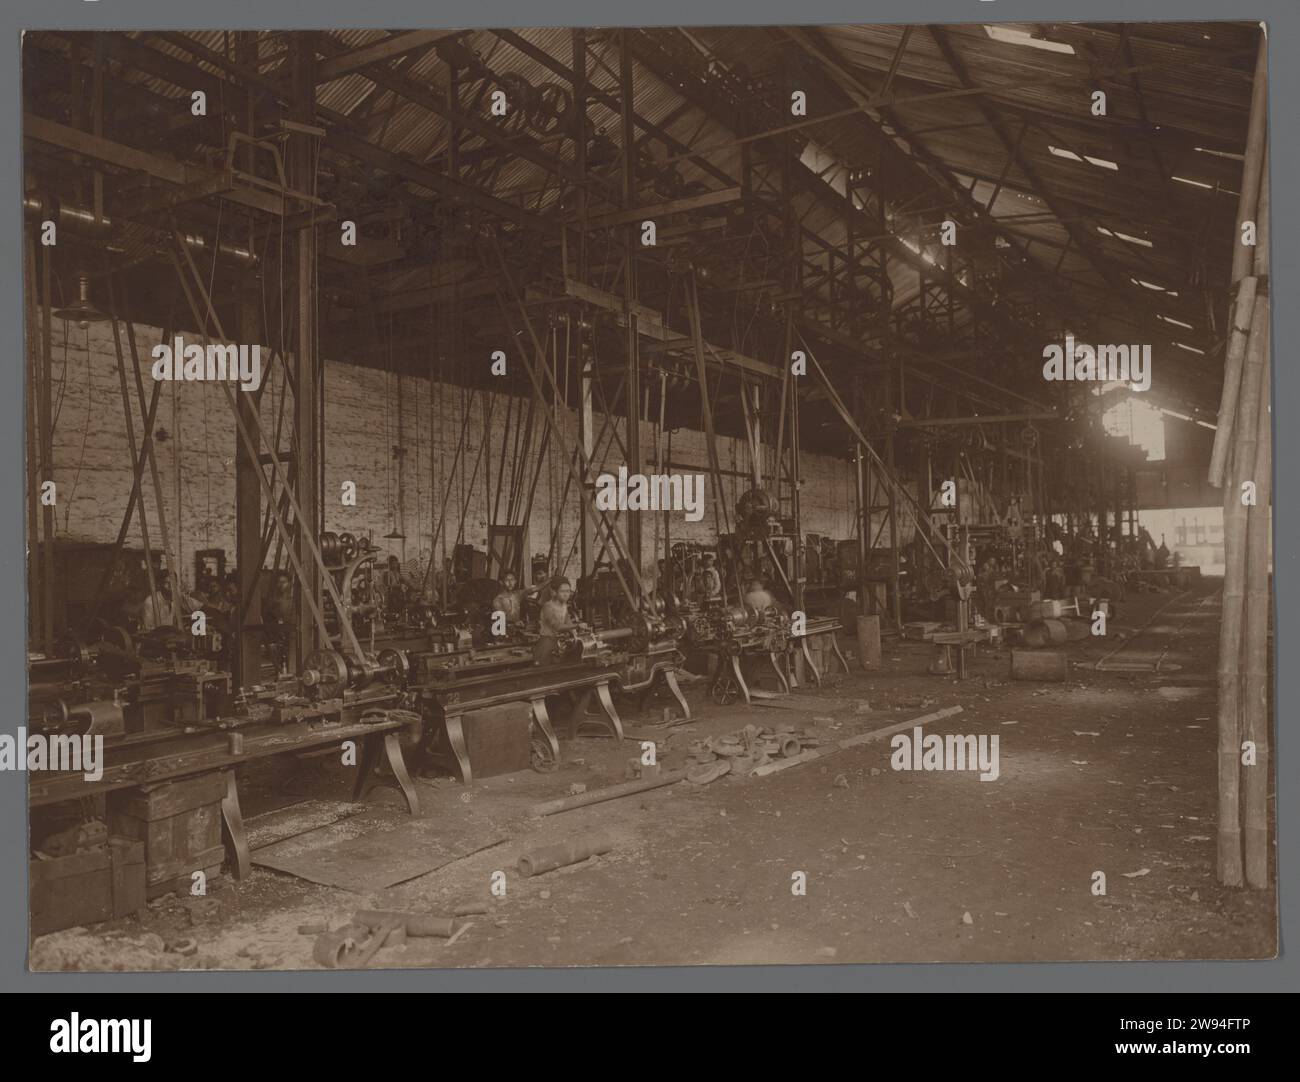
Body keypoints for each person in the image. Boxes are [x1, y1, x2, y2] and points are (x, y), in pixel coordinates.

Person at [534, 577, 575, 664]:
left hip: (559, 643)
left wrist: (576, 633)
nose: (566, 594)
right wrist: (577, 626)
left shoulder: (564, 606)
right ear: (554, 592)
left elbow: (568, 622)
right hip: (546, 645)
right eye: (562, 591)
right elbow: (557, 627)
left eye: (568, 591)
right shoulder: (548, 607)